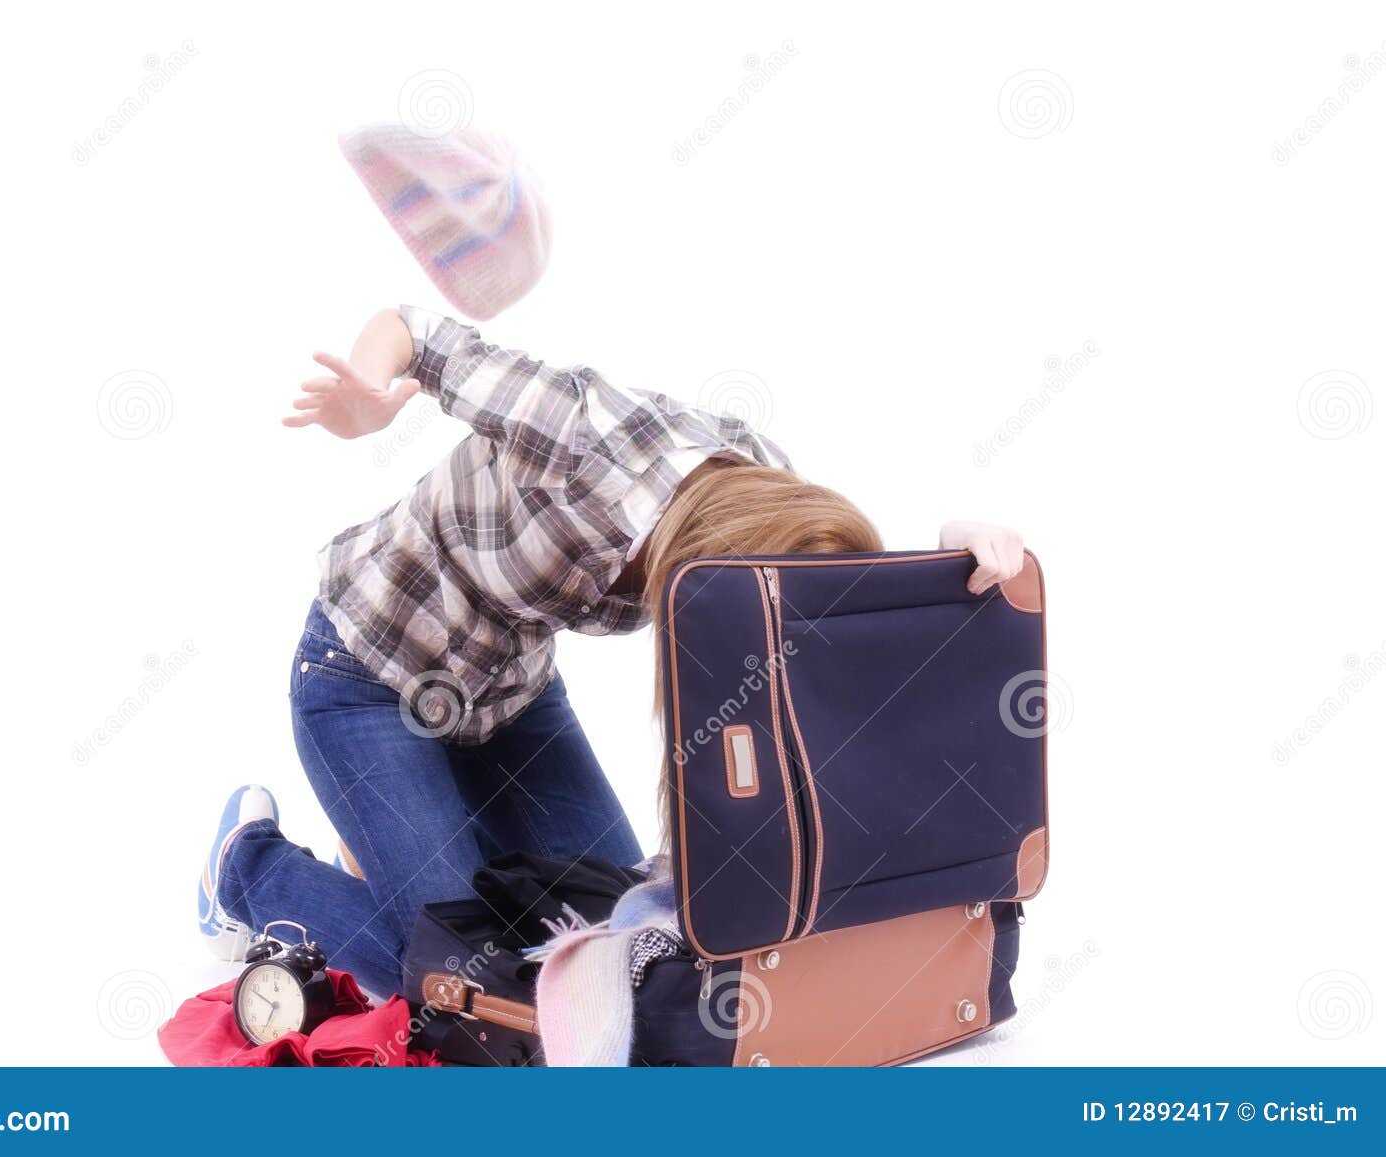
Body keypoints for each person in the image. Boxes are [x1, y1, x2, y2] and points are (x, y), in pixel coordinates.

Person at [195, 306, 1027, 997]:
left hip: (510, 698)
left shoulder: (769, 503)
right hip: (367, 675)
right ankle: (246, 867)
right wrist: (370, 398)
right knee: (473, 991)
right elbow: (415, 331)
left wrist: (953, 559)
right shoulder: (581, 437)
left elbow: (837, 620)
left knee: (621, 951)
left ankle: (420, 854)